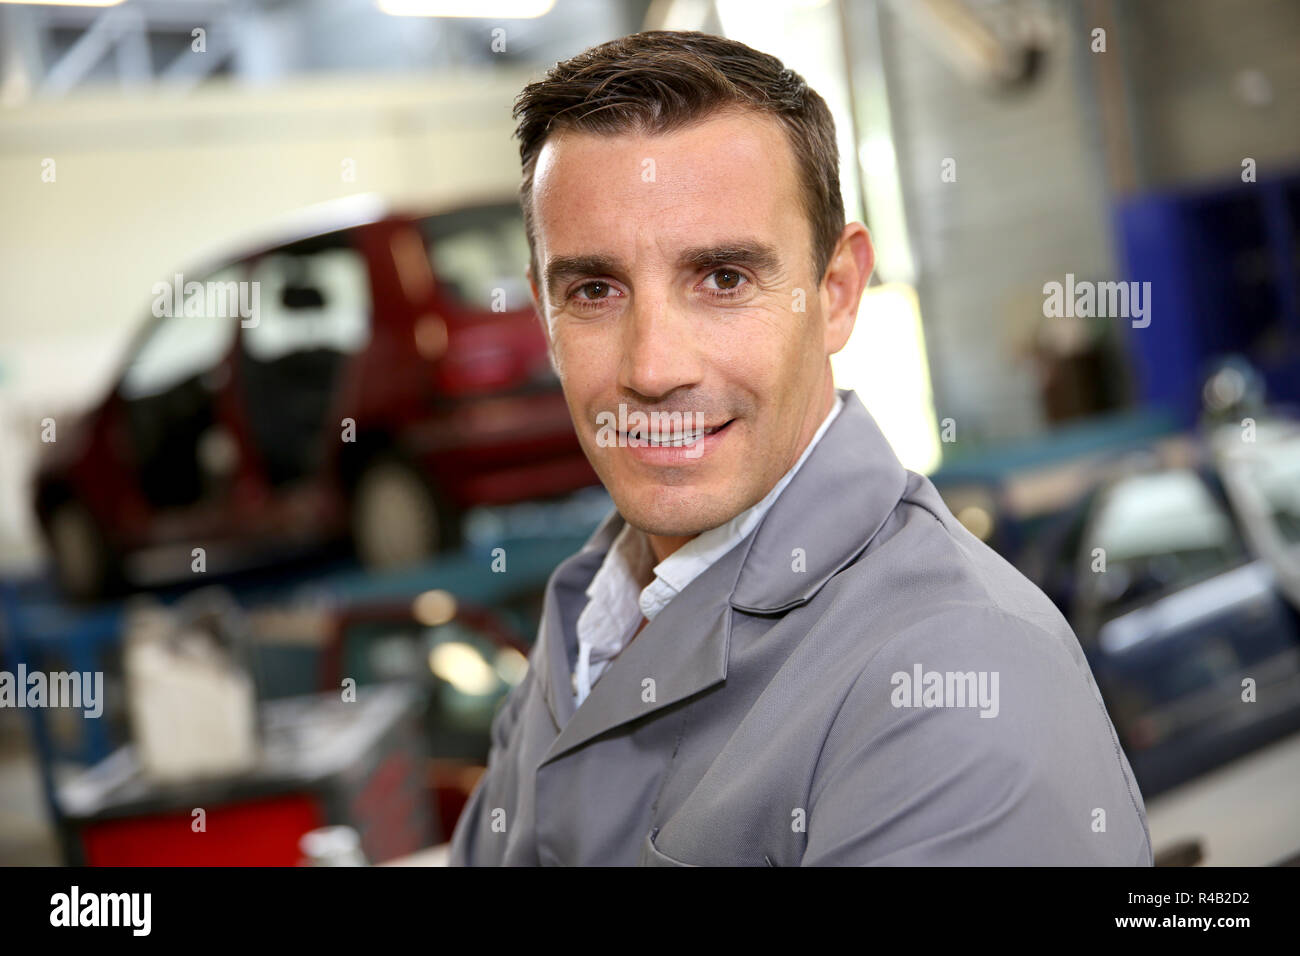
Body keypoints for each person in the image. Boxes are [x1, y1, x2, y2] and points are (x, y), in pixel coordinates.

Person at [448, 30, 1152, 866]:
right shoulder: (587, 622)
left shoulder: (957, 674)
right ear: (544, 312)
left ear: (838, 292)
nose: (652, 366)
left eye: (724, 279)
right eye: (594, 290)